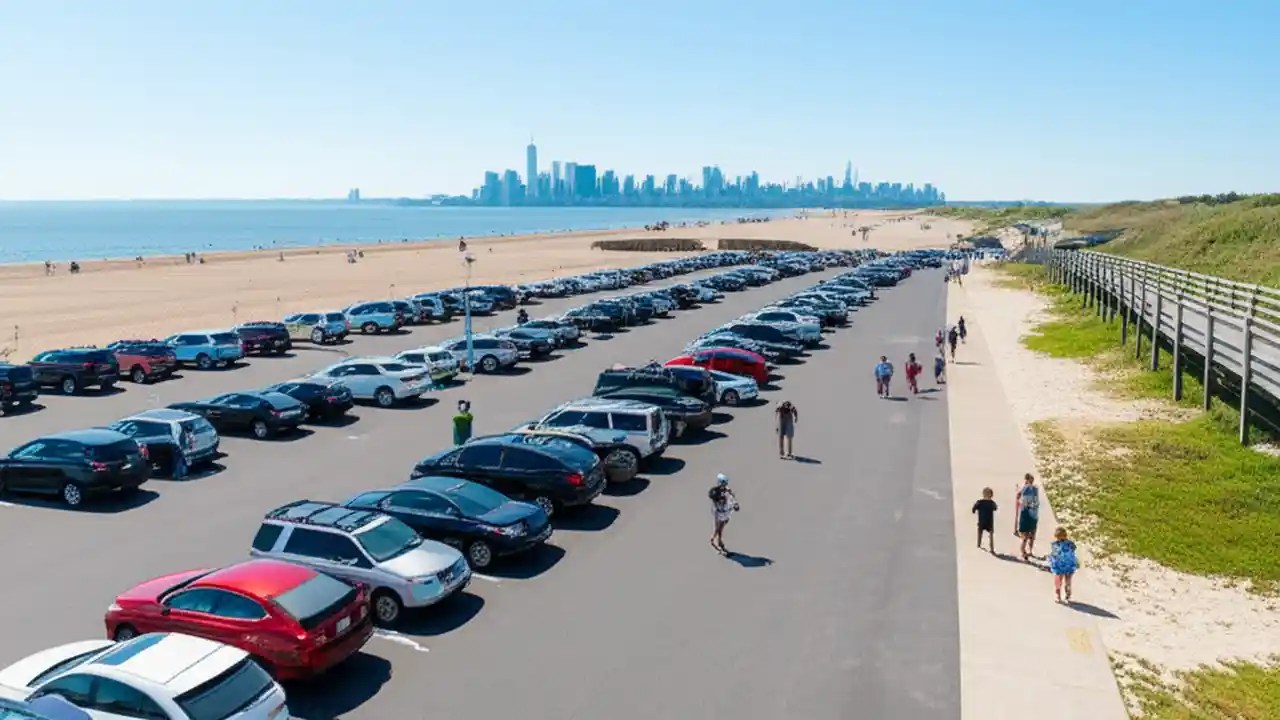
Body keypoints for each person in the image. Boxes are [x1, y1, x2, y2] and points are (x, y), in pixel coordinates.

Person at [708, 474, 739, 554]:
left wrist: (735, 504)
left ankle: (714, 537)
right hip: (719, 512)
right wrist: (720, 498)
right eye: (723, 483)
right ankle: (719, 542)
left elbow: (732, 496)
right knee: (720, 527)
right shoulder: (715, 492)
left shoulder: (727, 490)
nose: (725, 485)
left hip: (727, 511)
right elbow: (714, 497)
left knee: (722, 525)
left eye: (725, 483)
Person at [1049, 527, 1079, 602]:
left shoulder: (1058, 544)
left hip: (1064, 565)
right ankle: (1062, 595)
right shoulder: (1069, 544)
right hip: (1064, 565)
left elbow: (1054, 554)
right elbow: (1074, 549)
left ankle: (1063, 595)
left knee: (1063, 581)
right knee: (1063, 580)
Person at [1015, 473, 1041, 561]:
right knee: (1031, 535)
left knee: (1025, 536)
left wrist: (1019, 499)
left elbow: (1019, 498)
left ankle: (1024, 551)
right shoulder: (1034, 489)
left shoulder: (1024, 488)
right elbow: (1036, 502)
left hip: (1026, 514)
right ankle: (1028, 550)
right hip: (1032, 514)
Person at [972, 487, 998, 553]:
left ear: (983, 494)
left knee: (980, 532)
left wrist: (974, 510)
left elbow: (973, 509)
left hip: (981, 521)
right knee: (991, 535)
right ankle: (991, 548)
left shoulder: (979, 502)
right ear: (991, 495)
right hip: (989, 522)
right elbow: (995, 508)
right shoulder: (992, 503)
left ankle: (979, 544)